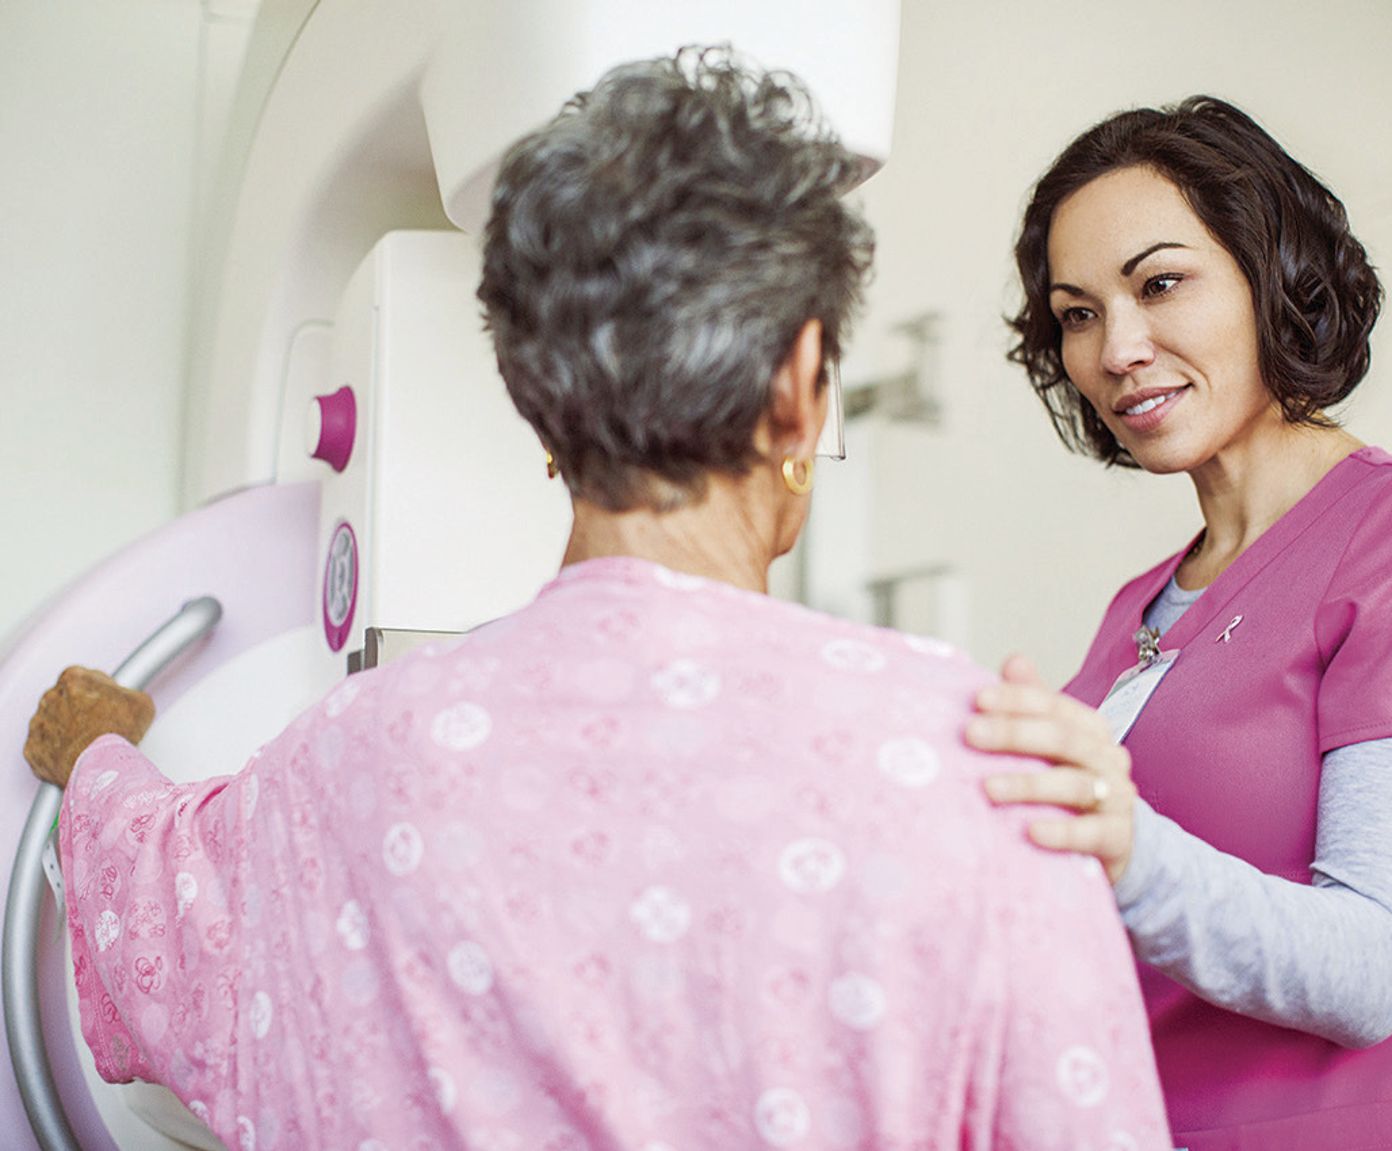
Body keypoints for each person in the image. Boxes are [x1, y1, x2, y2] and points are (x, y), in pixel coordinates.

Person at [25, 49, 1171, 1150]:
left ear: (540, 414)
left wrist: (96, 755)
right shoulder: (991, 767)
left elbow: (160, 901)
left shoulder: (346, 760)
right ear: (797, 389)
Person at [968, 95, 1392, 1149]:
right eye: (1078, 312)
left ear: (1272, 275)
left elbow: (1375, 967)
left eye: (1160, 282)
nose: (1117, 348)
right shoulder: (1134, 605)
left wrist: (1122, 845)